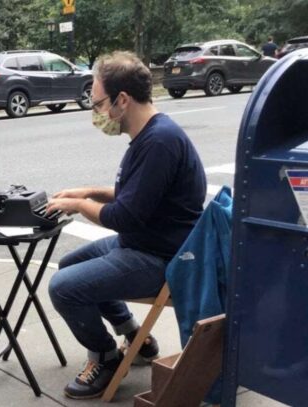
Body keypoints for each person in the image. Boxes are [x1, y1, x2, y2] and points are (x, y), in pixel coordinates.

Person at [46, 51, 207, 399]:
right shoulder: (149, 134)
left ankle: (104, 357)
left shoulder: (160, 142)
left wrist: (77, 204)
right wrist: (88, 190)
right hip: (142, 241)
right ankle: (135, 335)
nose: (97, 113)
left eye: (99, 104)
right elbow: (134, 195)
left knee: (62, 287)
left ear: (122, 99)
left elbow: (125, 216)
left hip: (161, 257)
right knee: (70, 264)